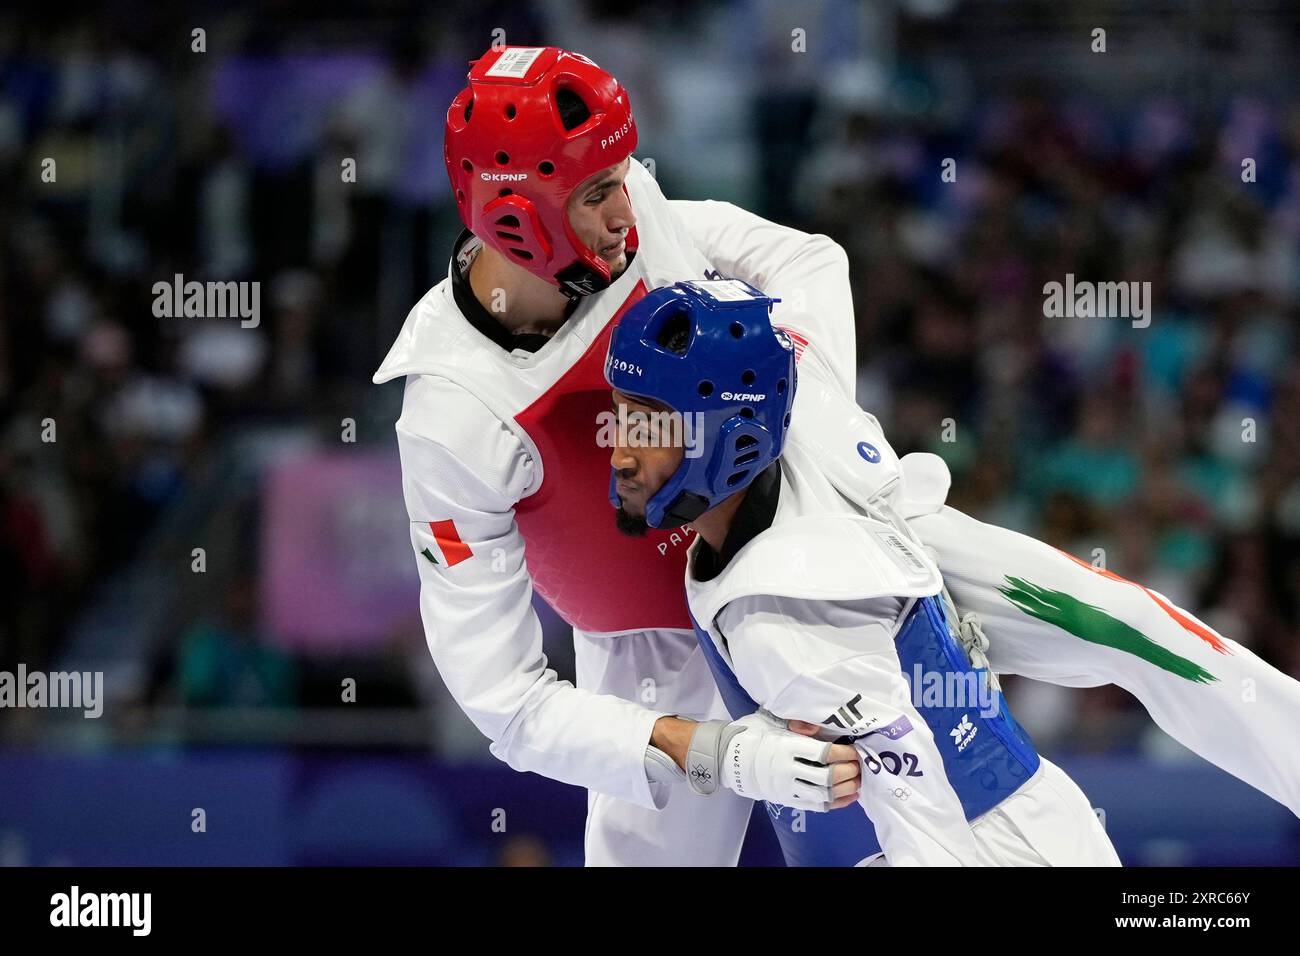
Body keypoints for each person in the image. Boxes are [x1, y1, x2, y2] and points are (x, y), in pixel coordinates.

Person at [376, 44, 1300, 866]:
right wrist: (716, 750)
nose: (629, 204)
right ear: (512, 216)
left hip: (833, 537)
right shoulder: (455, 416)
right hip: (657, 661)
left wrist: (826, 446)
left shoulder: (628, 209)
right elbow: (505, 701)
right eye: (594, 194)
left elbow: (811, 263)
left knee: (1147, 632)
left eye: (622, 174)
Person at [604, 278, 1119, 866]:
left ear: (727, 437)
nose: (620, 452)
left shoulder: (783, 609)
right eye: (618, 418)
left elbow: (918, 798)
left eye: (648, 426)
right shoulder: (789, 503)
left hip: (984, 846)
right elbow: (814, 261)